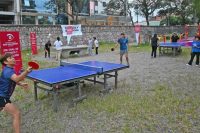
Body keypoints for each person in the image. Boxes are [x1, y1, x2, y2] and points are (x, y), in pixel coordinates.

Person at [0, 53, 32, 133]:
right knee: (16, 113)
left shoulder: (9, 69)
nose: (13, 58)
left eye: (13, 57)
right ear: (5, 62)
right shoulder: (7, 71)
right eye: (10, 58)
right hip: (1, 97)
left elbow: (12, 80)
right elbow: (17, 79)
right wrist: (26, 71)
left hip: (3, 96)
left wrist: (21, 84)